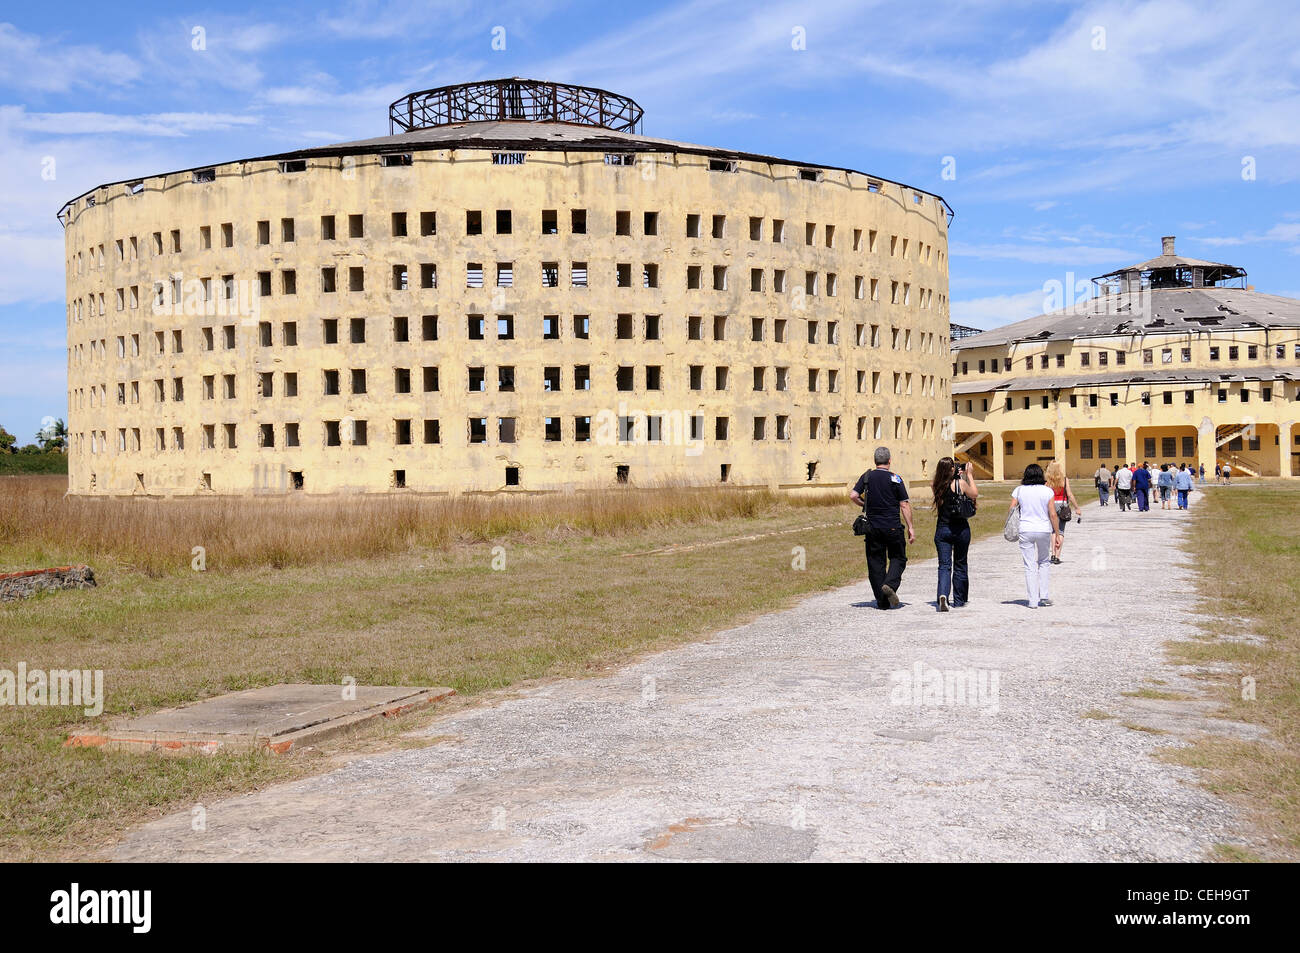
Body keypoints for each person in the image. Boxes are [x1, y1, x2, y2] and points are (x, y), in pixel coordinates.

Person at [850, 446, 915, 610]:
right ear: (889, 461)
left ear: (875, 461)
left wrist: (865, 504)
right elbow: (904, 505)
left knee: (875, 563)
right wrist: (910, 527)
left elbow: (853, 495)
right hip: (892, 526)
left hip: (872, 528)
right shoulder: (895, 478)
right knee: (898, 558)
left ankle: (882, 601)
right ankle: (889, 585)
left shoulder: (867, 476)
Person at [1008, 464, 1062, 609]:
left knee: (1029, 565)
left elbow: (1011, 508)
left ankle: (1032, 601)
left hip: (1025, 529)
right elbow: (1052, 514)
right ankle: (1044, 596)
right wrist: (1057, 534)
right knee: (1044, 561)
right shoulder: (1047, 491)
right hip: (1043, 529)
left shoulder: (1019, 490)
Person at [930, 456, 978, 612]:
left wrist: (954, 473)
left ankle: (943, 595)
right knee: (960, 563)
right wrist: (968, 474)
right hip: (960, 529)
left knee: (944, 565)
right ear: (952, 469)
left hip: (942, 529)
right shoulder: (960, 483)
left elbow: (943, 481)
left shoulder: (935, 485)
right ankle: (959, 599)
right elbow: (974, 494)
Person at [1044, 461, 1080, 565]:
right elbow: (1069, 494)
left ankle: (1053, 554)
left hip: (1051, 504)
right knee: (1060, 531)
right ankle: (1058, 555)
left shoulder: (1048, 481)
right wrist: (1077, 507)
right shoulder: (1064, 480)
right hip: (1063, 505)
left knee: (1053, 531)